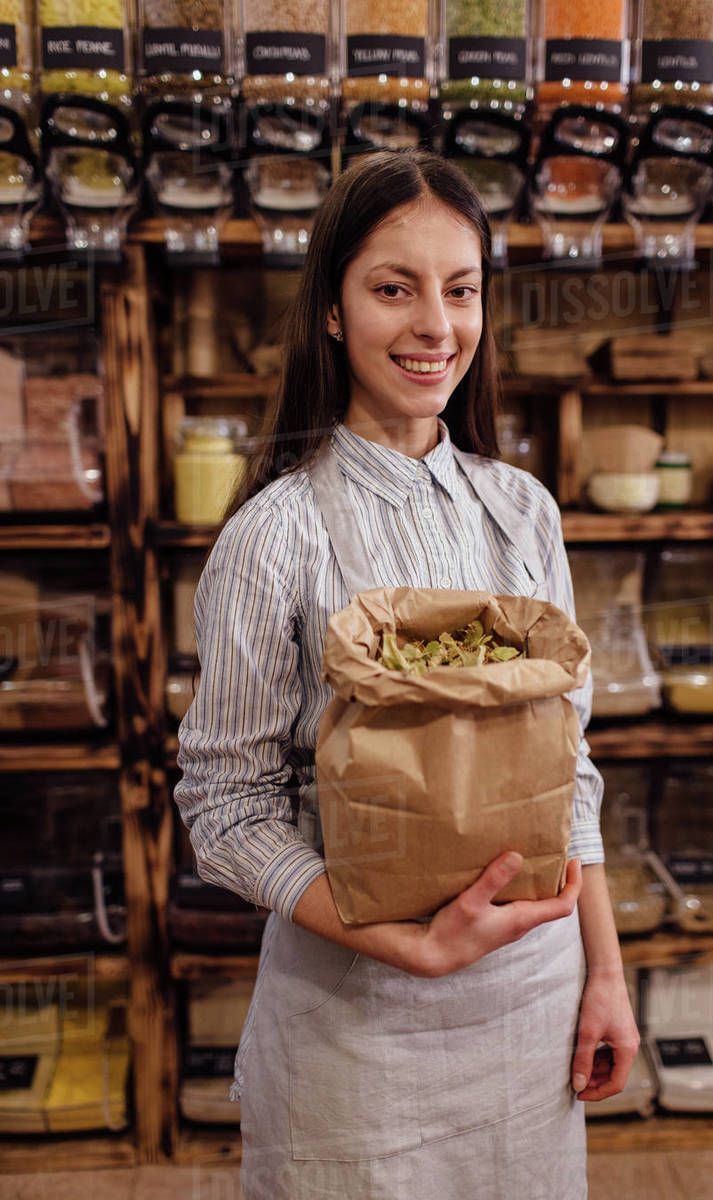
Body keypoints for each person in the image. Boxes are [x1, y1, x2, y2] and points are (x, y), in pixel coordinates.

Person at [174, 148, 639, 1200]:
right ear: (332, 311)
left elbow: (571, 769)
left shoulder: (523, 512)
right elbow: (224, 807)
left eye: (460, 289)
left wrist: (604, 976)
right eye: (394, 289)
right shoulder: (272, 536)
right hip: (360, 1028)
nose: (436, 326)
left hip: (532, 1006)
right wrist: (403, 944)